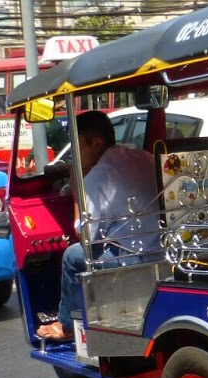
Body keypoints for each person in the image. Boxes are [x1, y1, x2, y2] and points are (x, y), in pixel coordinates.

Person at [36, 110, 161, 343]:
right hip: (164, 249)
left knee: (72, 256)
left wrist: (77, 192)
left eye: (77, 147)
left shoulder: (99, 175)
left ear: (96, 143)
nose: (74, 155)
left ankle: (66, 326)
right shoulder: (141, 156)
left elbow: (85, 236)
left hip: (134, 260)